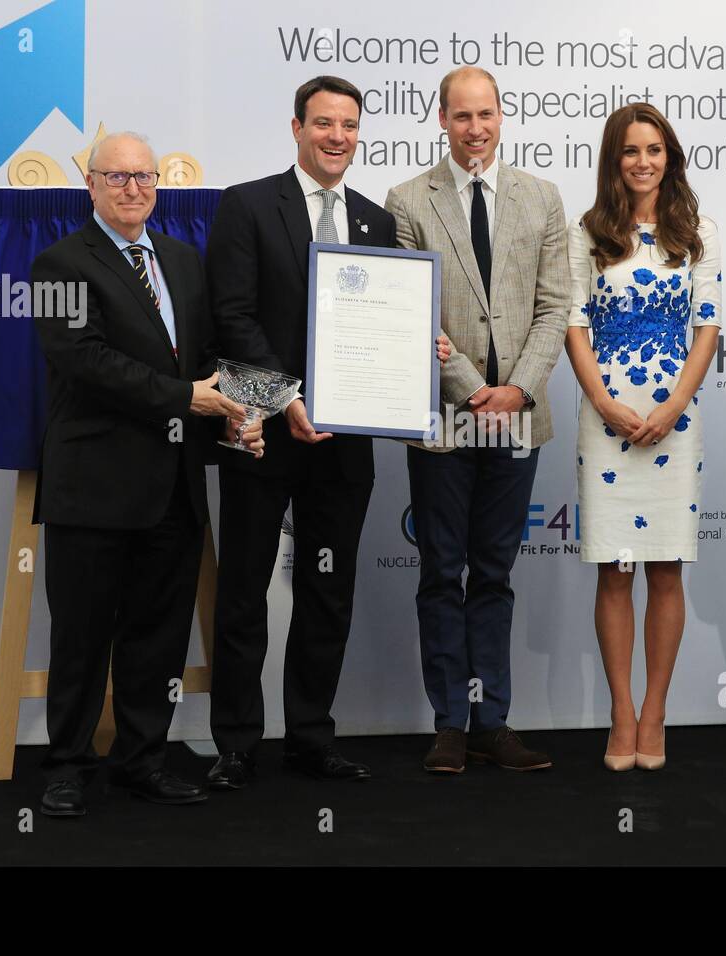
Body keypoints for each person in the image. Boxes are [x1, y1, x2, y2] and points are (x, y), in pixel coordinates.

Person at [205, 76, 449, 788]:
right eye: (323, 124)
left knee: (328, 590)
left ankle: (311, 736)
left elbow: (387, 324)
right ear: (296, 128)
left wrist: (417, 350)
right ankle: (237, 744)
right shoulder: (247, 205)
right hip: (260, 433)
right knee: (245, 591)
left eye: (348, 125)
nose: (337, 137)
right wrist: (284, 400)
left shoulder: (375, 222)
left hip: (347, 442)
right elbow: (232, 318)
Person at [31, 132, 247, 817]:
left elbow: (209, 357)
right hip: (92, 487)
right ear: (90, 185)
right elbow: (85, 362)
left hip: (174, 486)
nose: (133, 189)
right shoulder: (58, 265)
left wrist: (253, 410)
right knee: (82, 639)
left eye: (144, 176)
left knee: (157, 638)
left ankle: (141, 761)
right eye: (117, 177)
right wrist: (186, 398)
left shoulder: (184, 261)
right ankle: (67, 766)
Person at [385, 66, 570, 774]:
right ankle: (449, 726)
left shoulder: (541, 199)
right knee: (442, 573)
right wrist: (474, 389)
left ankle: (494, 723)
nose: (475, 128)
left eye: (485, 114)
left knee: (493, 574)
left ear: (502, 116)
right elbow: (415, 314)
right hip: (444, 419)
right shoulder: (408, 201)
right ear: (441, 119)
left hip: (519, 419)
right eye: (461, 116)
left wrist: (516, 390)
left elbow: (555, 307)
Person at [563, 104, 721, 772]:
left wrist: (676, 404)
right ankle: (619, 715)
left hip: (673, 424)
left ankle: (655, 714)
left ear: (670, 156)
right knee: (614, 570)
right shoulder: (588, 233)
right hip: (607, 423)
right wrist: (602, 402)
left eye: (655, 150)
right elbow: (573, 322)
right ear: (614, 159)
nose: (644, 161)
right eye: (631, 151)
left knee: (663, 568)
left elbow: (708, 325)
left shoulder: (698, 231)